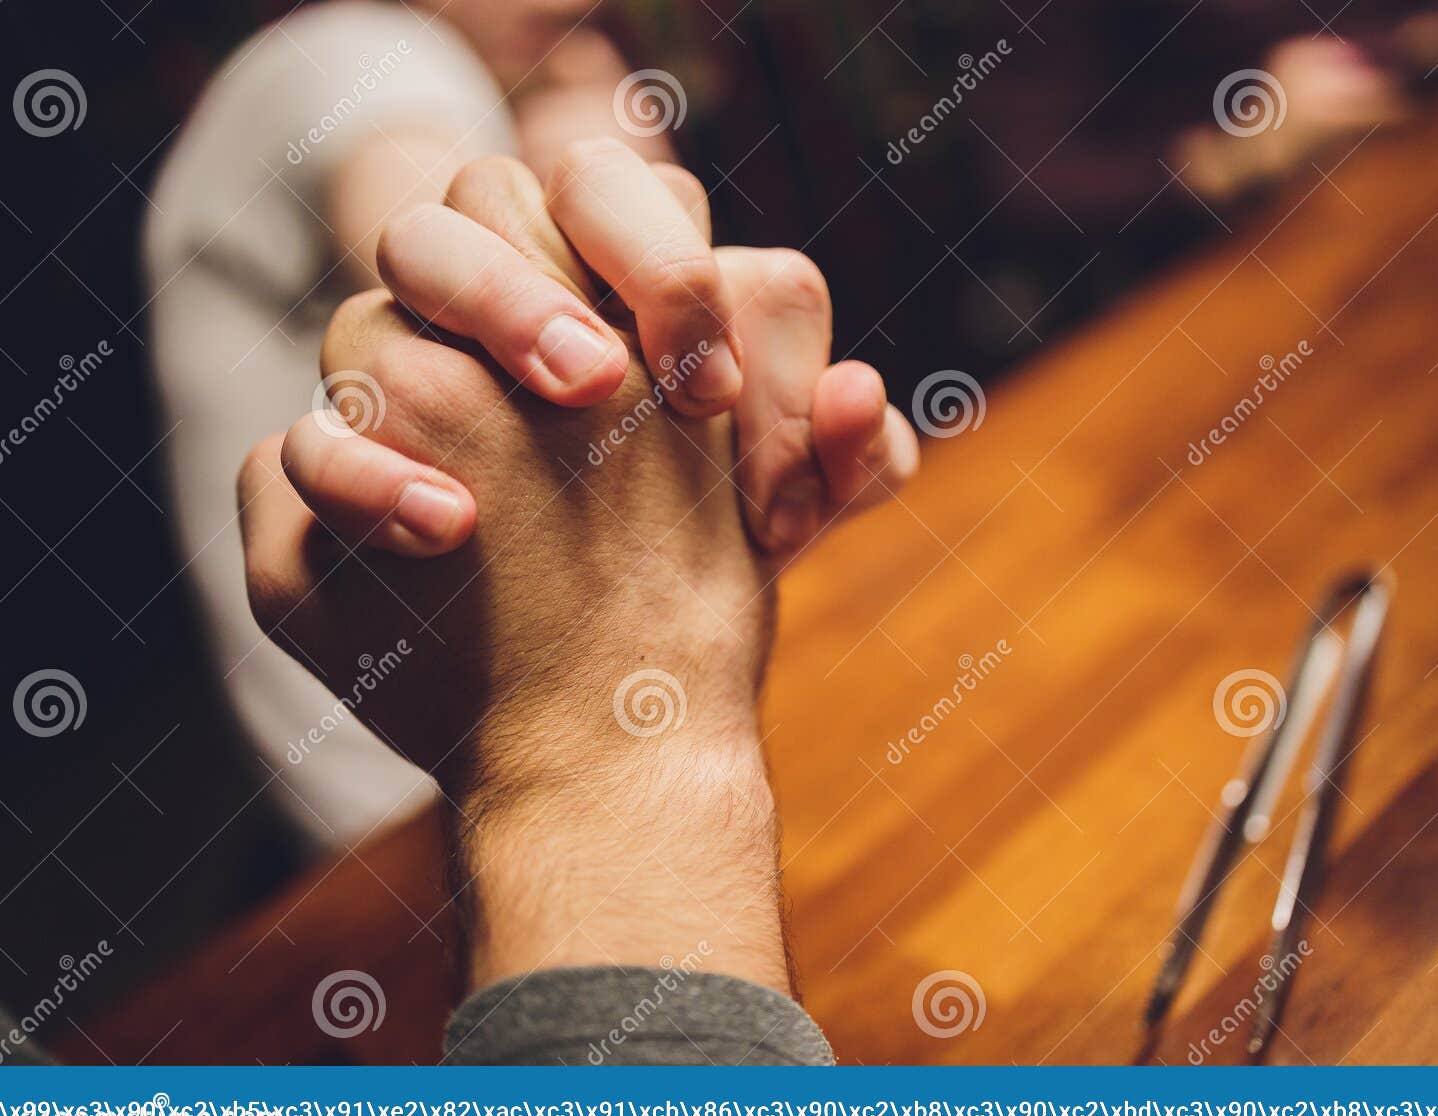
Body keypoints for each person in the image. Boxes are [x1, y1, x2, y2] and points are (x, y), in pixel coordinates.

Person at [3, 142, 917, 1064]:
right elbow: (405, 174)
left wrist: (683, 550)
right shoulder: (350, 42)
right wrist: (597, 747)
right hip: (355, 863)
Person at [145, 0, 911, 843]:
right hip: (406, 829)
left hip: (506, 786)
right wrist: (593, 262)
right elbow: (425, 218)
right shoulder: (351, 50)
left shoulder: (478, 86)